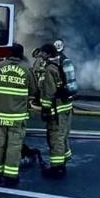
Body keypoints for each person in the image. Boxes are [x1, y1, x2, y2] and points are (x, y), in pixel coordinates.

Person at [0, 43, 36, 186]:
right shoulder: (26, 69)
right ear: (21, 54)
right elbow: (33, 90)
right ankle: (10, 177)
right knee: (14, 147)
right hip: (17, 117)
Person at [34, 42, 76, 178]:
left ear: (48, 54)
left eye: (42, 53)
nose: (40, 55)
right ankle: (62, 163)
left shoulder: (49, 69)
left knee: (55, 137)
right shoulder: (61, 63)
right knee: (63, 135)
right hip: (66, 106)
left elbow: (49, 92)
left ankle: (56, 169)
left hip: (56, 109)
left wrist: (45, 109)